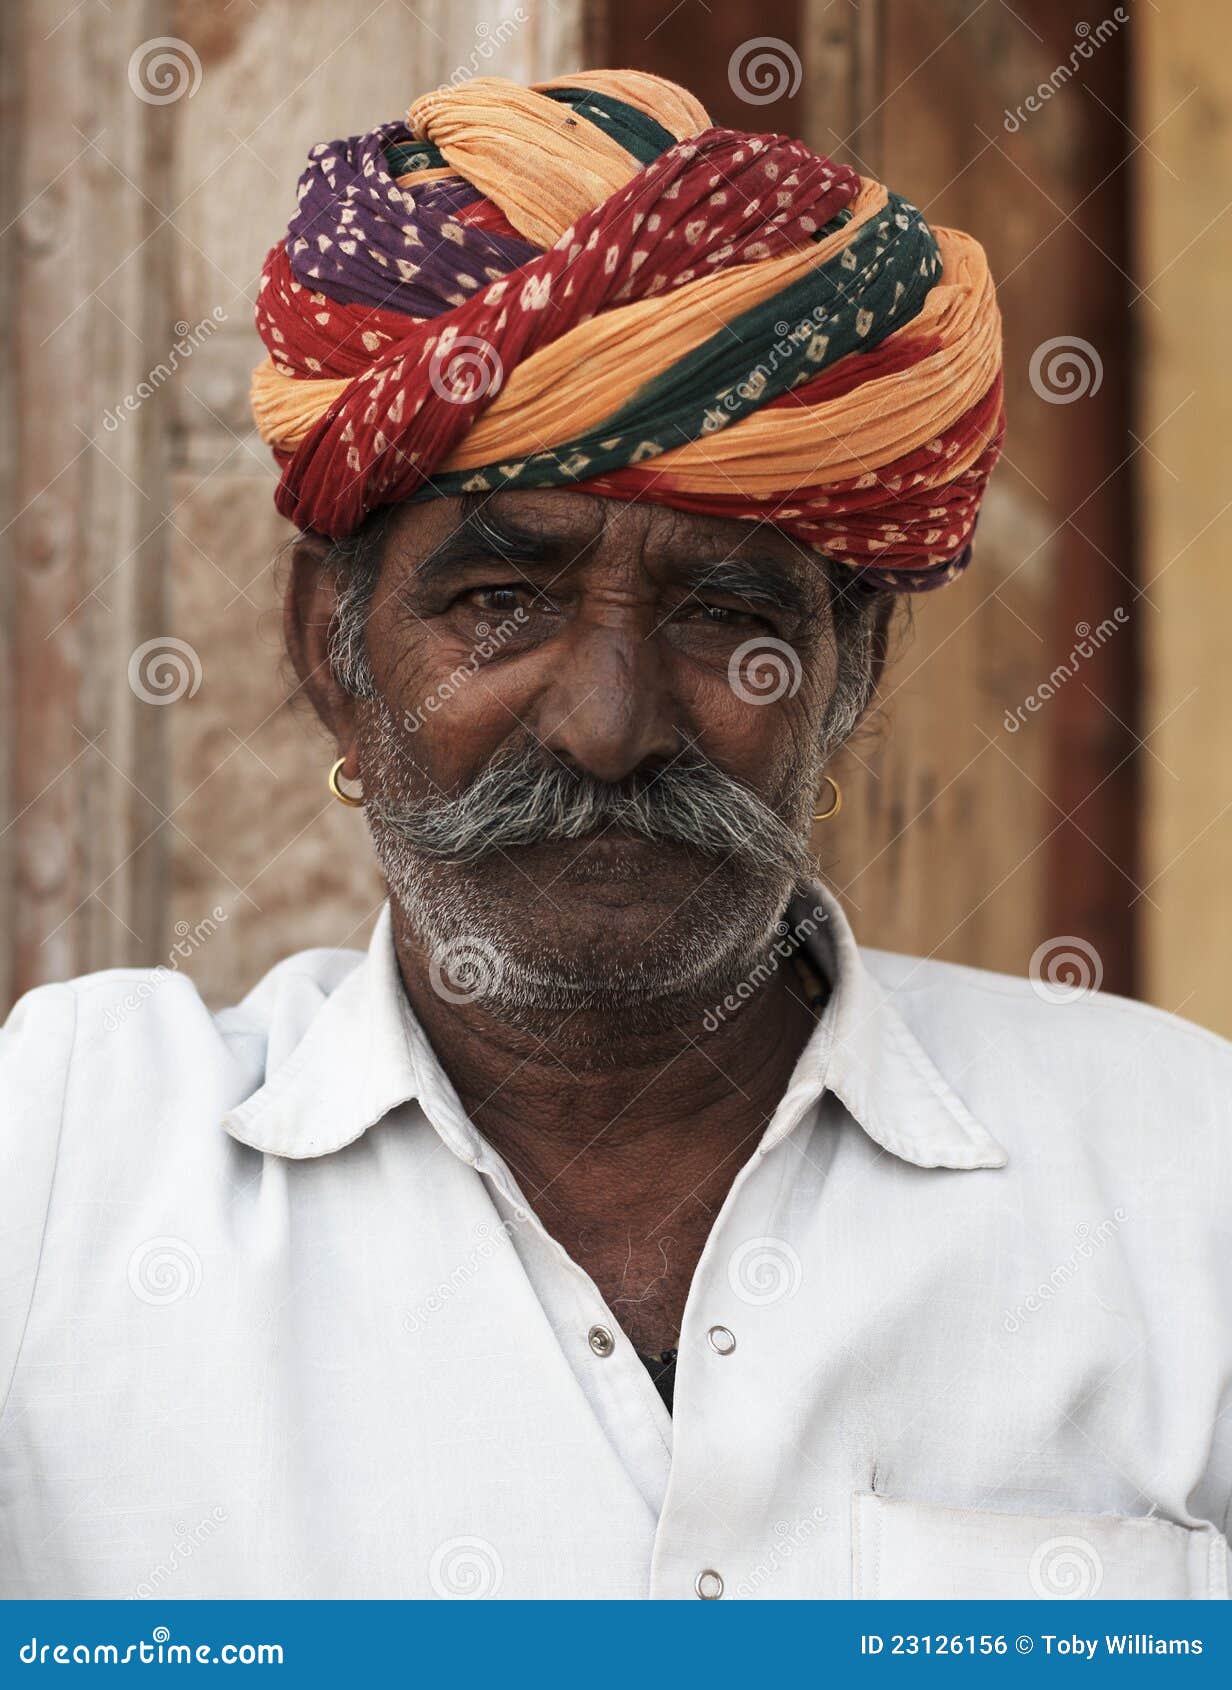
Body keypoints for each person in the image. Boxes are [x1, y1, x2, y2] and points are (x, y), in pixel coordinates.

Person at [1, 69, 1227, 1602]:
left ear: (848, 675)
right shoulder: (63, 1162)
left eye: (726, 616)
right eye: (500, 603)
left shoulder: (1183, 1173)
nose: (607, 722)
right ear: (334, 647)